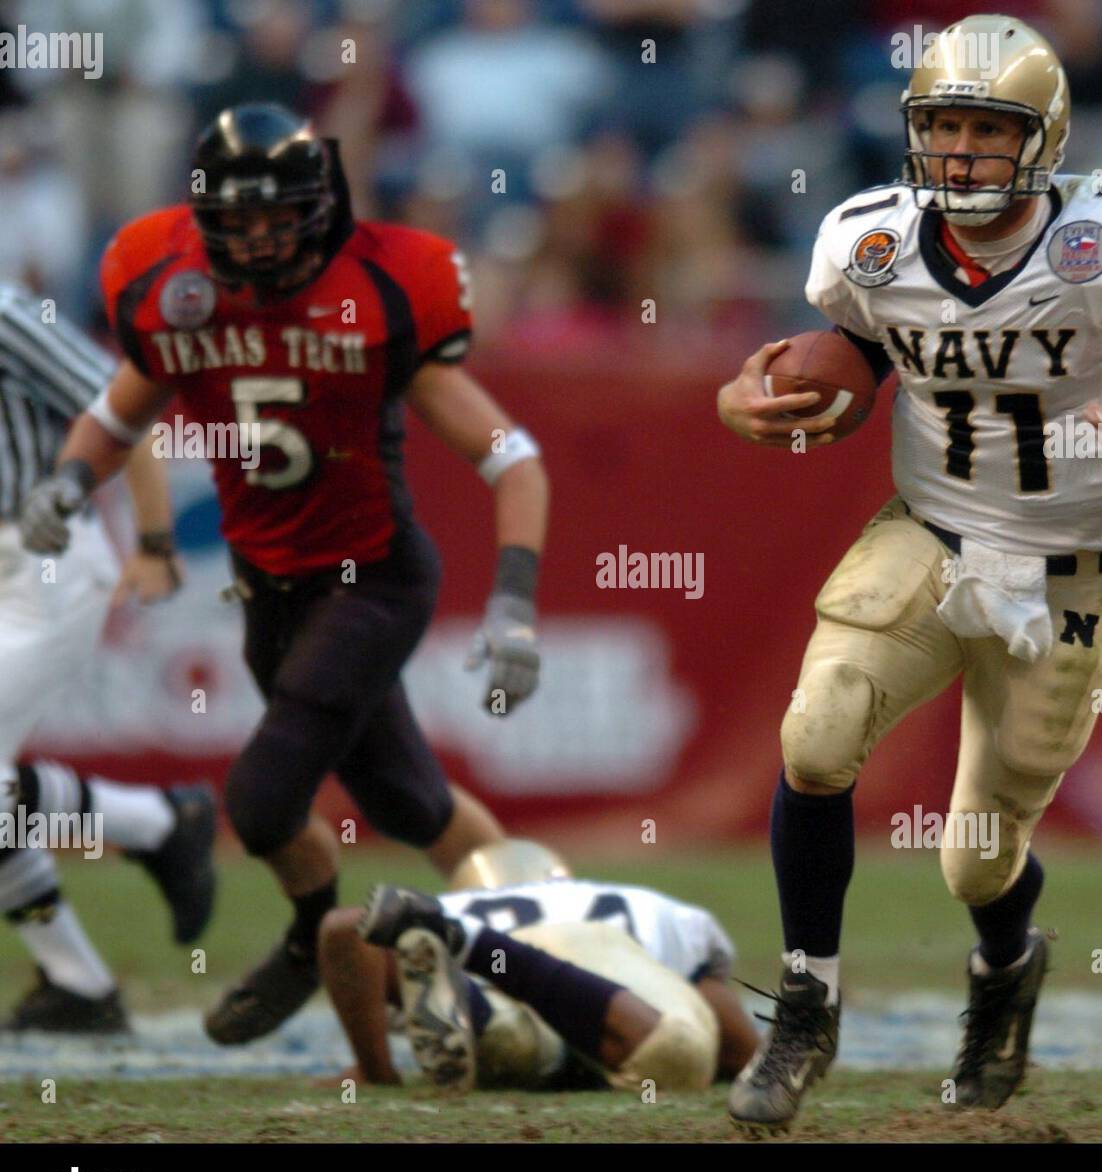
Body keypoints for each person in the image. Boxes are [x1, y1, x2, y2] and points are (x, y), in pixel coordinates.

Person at [715, 15, 1102, 1133]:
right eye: (944, 129)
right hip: (928, 533)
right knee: (816, 735)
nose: (962, 154)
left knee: (976, 861)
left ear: (1043, 139)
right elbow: (828, 368)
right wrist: (746, 403)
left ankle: (1005, 965)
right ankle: (805, 1004)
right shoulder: (871, 241)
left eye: (985, 130)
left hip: (1067, 565)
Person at [20, 103, 549, 1046]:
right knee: (406, 800)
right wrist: (67, 480)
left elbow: (513, 456)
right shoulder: (169, 285)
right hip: (268, 583)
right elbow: (116, 415)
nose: (261, 239)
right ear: (206, 216)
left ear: (321, 207)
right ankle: (552, 936)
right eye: (241, 218)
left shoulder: (385, 285)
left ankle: (315, 938)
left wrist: (512, 604)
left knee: (262, 798)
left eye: (279, 217)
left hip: (374, 578)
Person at [0, 280, 215, 1033]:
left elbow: (123, 407)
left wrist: (155, 541)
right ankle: (81, 981)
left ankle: (157, 824)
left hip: (39, 566)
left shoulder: (5, 312)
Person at [319, 839, 758, 1092]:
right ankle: (471, 952)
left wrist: (375, 1071)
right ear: (555, 874)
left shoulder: (462, 902)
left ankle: (477, 1001)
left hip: (490, 962)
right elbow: (739, 1047)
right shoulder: (638, 900)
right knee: (675, 1053)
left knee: (517, 1039)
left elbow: (345, 932)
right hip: (605, 946)